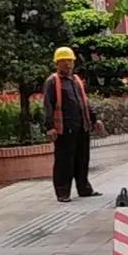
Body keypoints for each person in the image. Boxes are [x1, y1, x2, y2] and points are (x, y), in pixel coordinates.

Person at [43, 47, 103, 203]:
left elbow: (84, 102)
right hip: (64, 128)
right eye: (64, 61)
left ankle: (84, 189)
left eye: (70, 61)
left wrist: (94, 119)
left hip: (81, 126)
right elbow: (48, 105)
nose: (68, 64)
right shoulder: (53, 81)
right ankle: (63, 192)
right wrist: (49, 127)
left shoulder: (76, 80)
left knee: (82, 159)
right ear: (57, 63)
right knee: (64, 161)